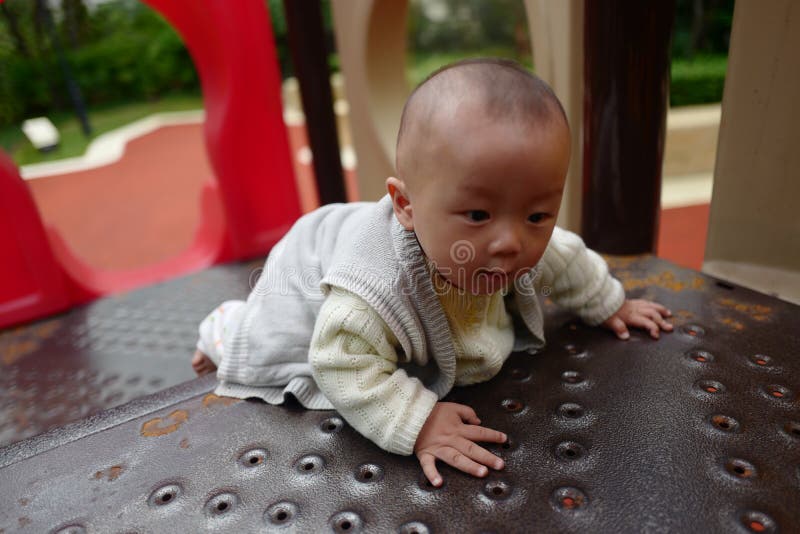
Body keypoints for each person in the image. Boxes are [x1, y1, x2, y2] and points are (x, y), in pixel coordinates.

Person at [191, 58, 673, 487]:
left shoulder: (515, 242)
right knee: (271, 342)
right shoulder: (372, 288)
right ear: (406, 205)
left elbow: (569, 258)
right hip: (310, 281)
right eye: (479, 215)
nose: (511, 242)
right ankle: (221, 327)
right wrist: (416, 421)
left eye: (537, 215)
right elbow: (339, 362)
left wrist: (611, 304)